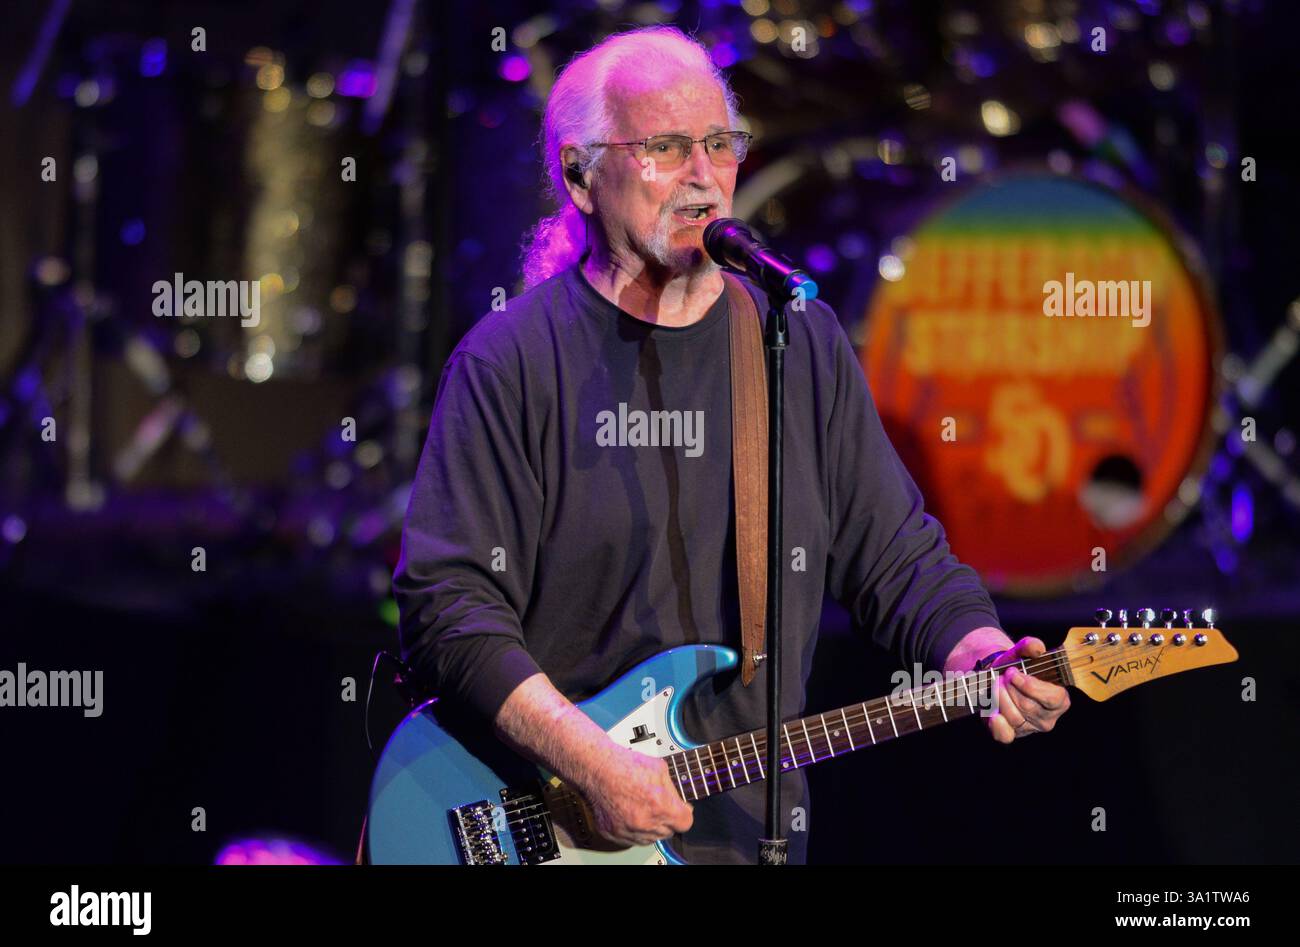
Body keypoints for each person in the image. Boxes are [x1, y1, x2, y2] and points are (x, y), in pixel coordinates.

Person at [392, 25, 1069, 865]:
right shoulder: (512, 363)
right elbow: (448, 607)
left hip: (744, 832)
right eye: (665, 148)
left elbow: (893, 553)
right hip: (547, 824)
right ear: (580, 174)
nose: (704, 175)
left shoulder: (794, 340)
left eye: (719, 143)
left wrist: (983, 651)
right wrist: (591, 760)